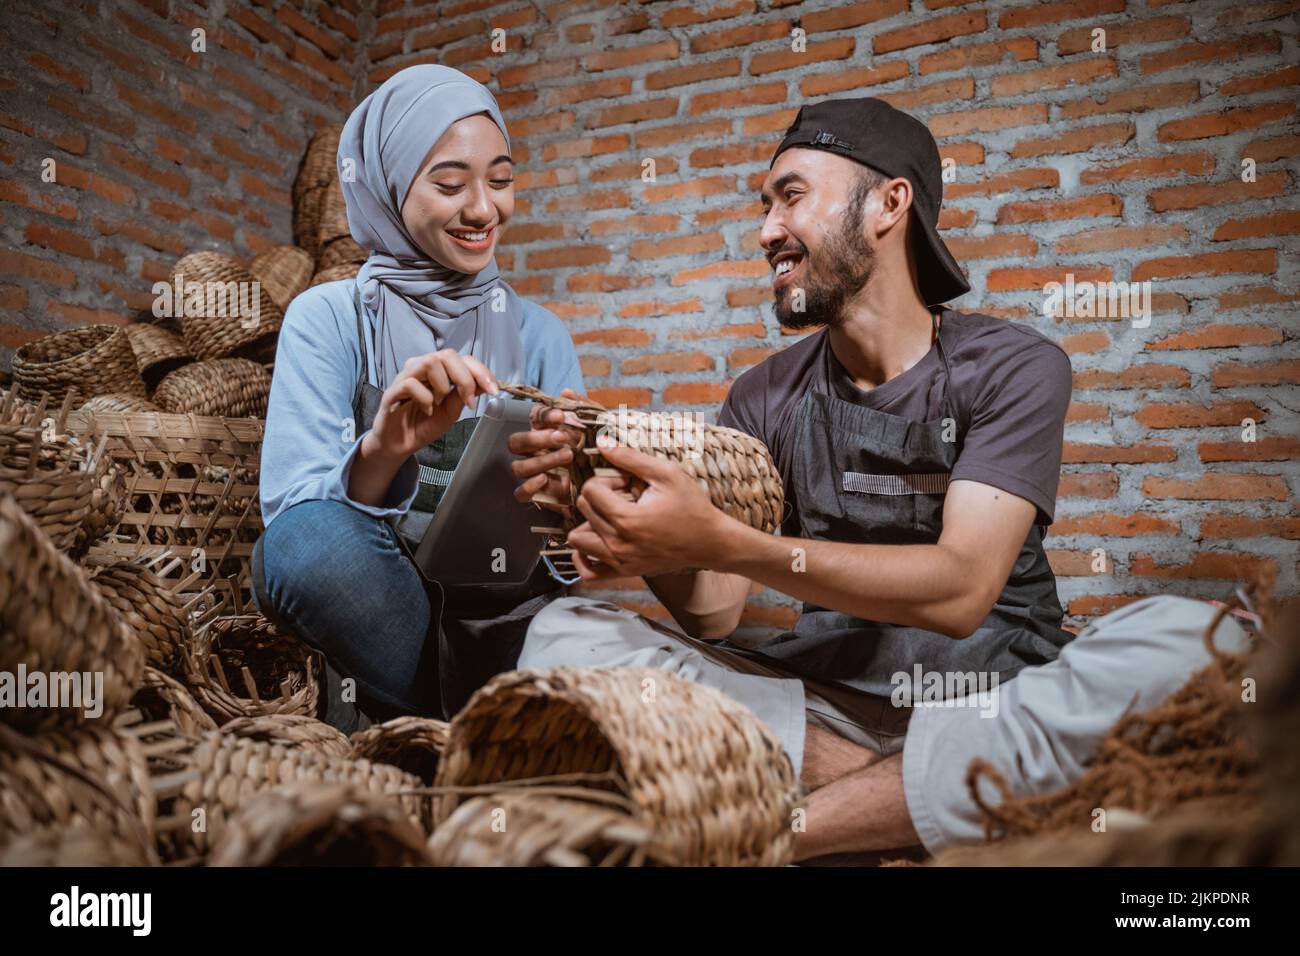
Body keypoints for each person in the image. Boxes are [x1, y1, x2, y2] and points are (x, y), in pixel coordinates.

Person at [508, 97, 1237, 860]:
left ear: (890, 203)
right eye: (764, 206)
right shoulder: (763, 396)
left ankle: (775, 835)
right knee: (565, 634)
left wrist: (723, 539)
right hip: (824, 705)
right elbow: (716, 615)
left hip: (994, 695)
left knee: (1194, 643)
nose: (766, 233)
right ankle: (933, 803)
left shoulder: (1017, 367)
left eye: (791, 196)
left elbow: (960, 592)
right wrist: (643, 540)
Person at [252, 65, 583, 733]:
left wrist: (570, 496)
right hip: (385, 609)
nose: (484, 210)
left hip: (502, 611)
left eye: (500, 180)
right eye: (451, 184)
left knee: (582, 625)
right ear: (389, 184)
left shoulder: (540, 334)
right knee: (306, 546)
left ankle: (442, 719)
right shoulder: (331, 316)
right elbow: (294, 519)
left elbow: (569, 562)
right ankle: (484, 721)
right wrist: (385, 447)